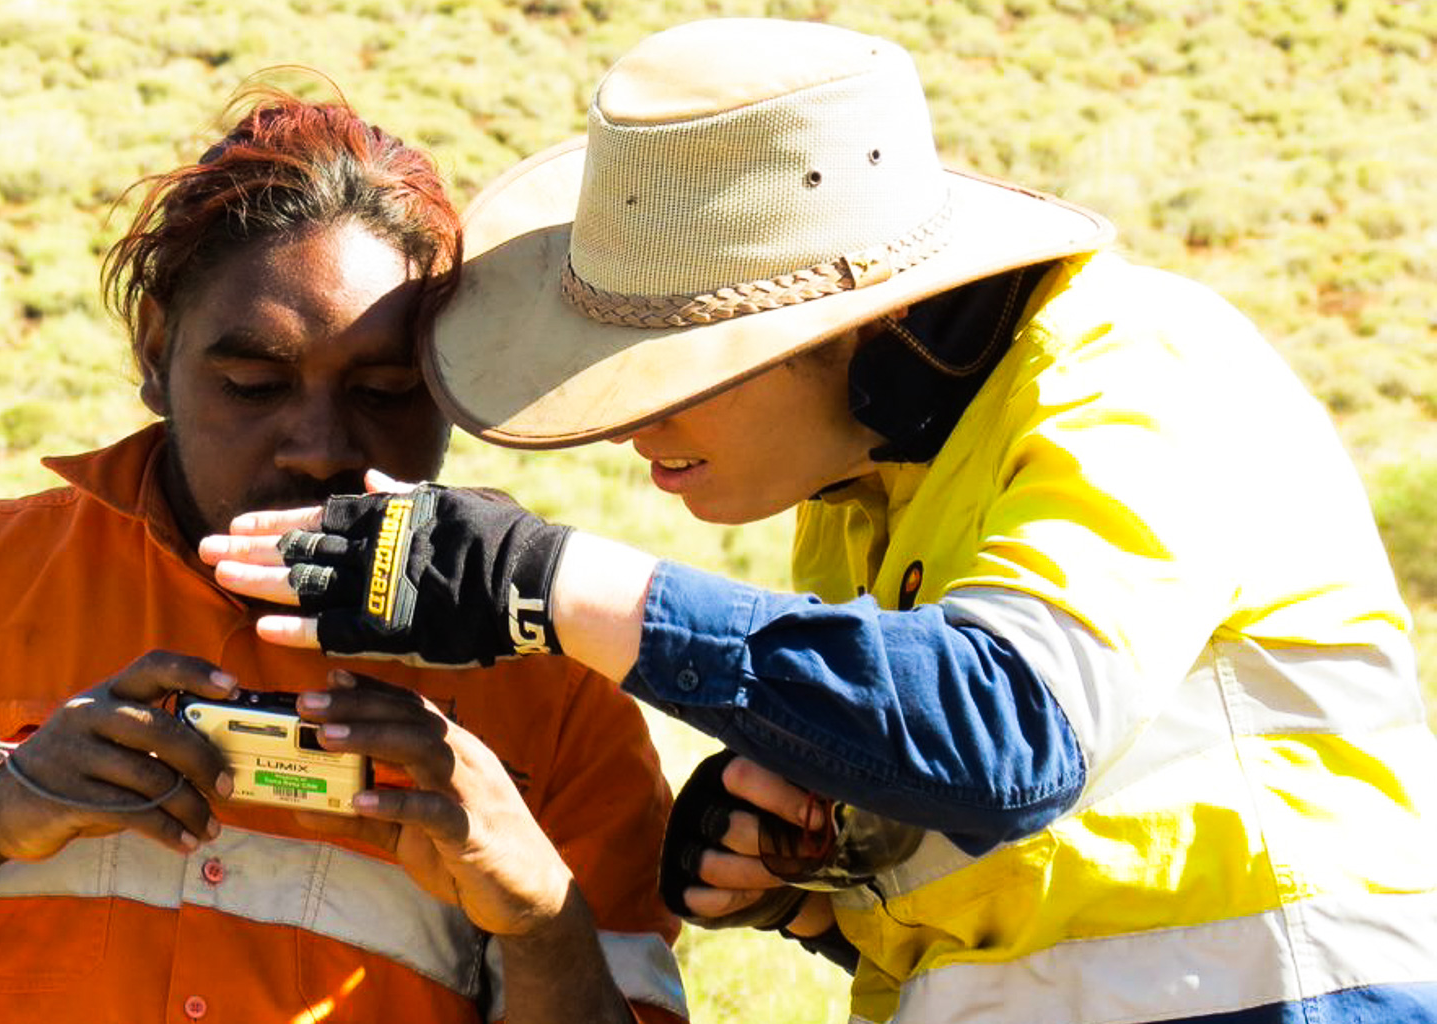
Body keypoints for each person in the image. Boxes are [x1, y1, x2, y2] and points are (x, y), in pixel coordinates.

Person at [202, 19, 1437, 1024]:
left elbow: (1004, 730)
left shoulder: (1133, 368)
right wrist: (812, 876)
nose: (633, 430)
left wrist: (541, 582)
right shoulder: (857, 492)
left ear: (839, 333)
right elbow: (1023, 884)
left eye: (666, 374)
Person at [0, 85, 687, 1024]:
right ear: (155, 351)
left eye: (386, 394)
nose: (317, 448)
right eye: (253, 386)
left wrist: (540, 918)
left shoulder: (551, 693)